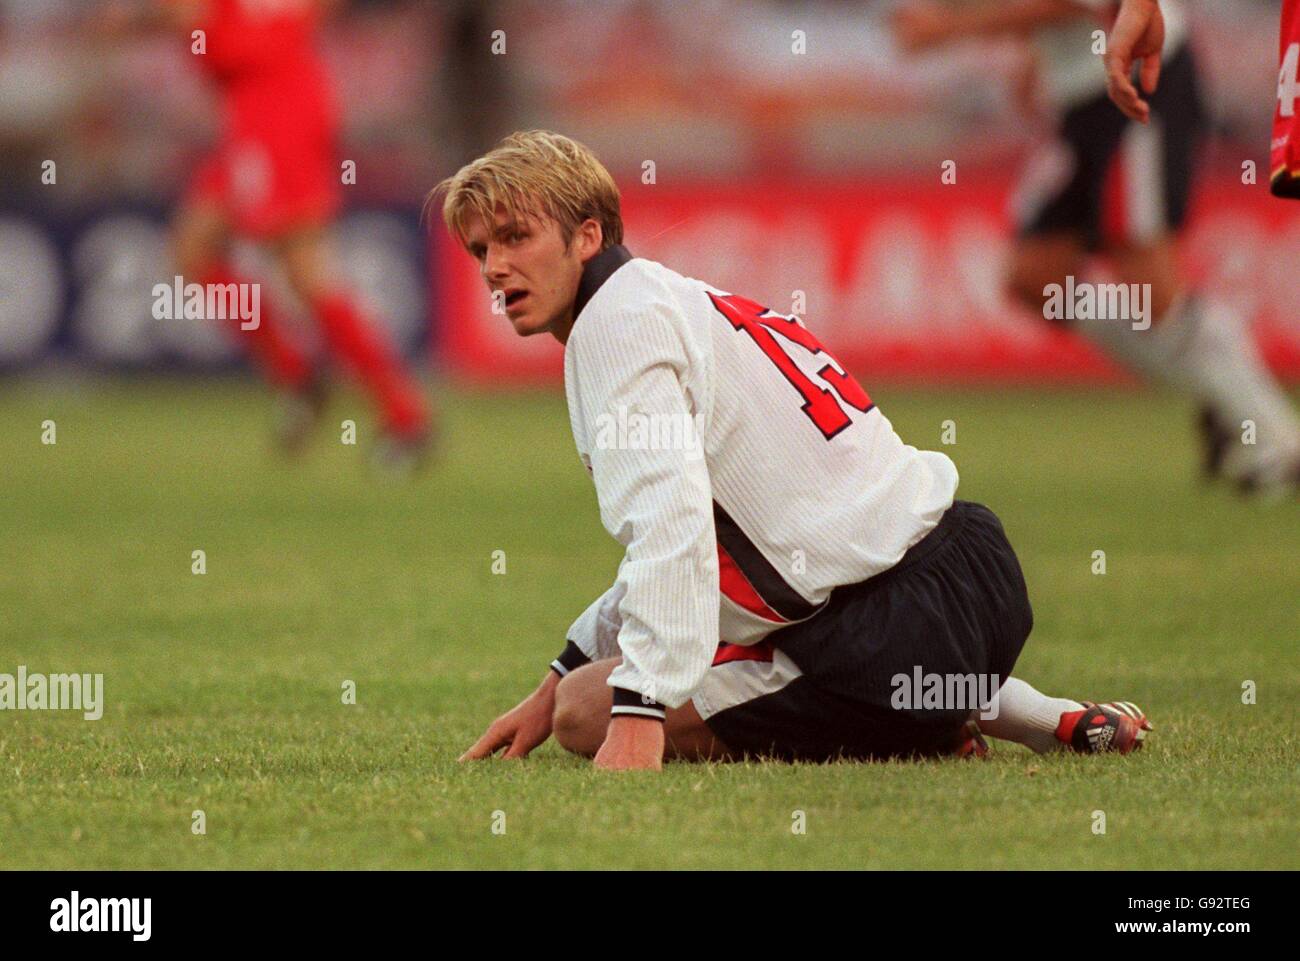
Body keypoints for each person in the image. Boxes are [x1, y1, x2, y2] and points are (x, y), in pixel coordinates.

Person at [435, 130, 1151, 771]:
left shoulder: (615, 330)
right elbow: (702, 542)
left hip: (884, 627)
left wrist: (639, 711)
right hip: (964, 571)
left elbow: (672, 525)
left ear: (587, 235)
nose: (495, 268)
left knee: (589, 712)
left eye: (515, 237)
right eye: (480, 250)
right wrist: (556, 673)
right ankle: (1031, 714)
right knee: (609, 673)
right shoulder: (666, 300)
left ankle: (914, 728)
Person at [894, 0, 1300, 494]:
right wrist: (1034, 57)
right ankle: (1214, 388)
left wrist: (951, 28)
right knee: (1036, 278)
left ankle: (1276, 439)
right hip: (1083, 98)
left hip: (1136, 78)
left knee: (1151, 286)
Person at [107, 0, 432, 466]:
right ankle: (299, 374)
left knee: (307, 273)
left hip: (279, 118)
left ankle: (405, 417)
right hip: (253, 120)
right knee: (193, 250)